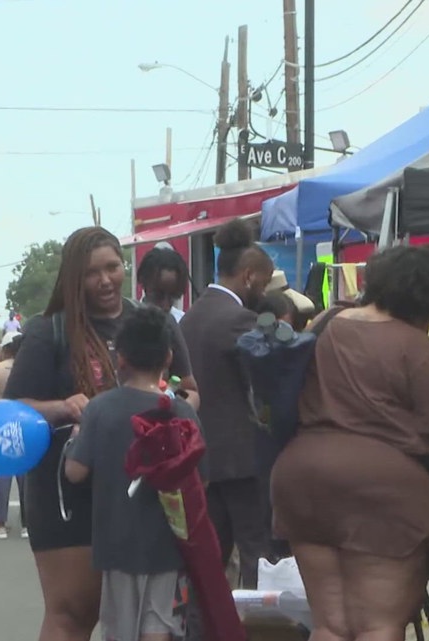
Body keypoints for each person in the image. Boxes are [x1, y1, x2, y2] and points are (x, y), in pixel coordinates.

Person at [271, 244, 429, 641]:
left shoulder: (327, 321)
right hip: (381, 491)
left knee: (329, 624)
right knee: (378, 626)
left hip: (302, 478)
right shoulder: (411, 343)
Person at [3, 226, 195, 641]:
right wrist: (62, 406)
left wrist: (169, 406)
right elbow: (13, 408)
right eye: (93, 272)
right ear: (74, 277)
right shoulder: (49, 329)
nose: (106, 279)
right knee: (73, 612)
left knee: (147, 621)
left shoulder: (151, 322)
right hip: (66, 493)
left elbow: (192, 393)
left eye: (113, 267)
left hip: (140, 495)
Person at [64, 306, 191, 641]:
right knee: (158, 620)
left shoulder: (100, 408)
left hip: (115, 538)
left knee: (119, 623)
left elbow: (75, 473)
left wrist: (74, 443)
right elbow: (199, 480)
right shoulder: (182, 410)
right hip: (166, 541)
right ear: (168, 357)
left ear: (120, 359)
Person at [178, 217, 275, 589]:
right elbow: (264, 382)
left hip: (203, 455)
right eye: (263, 283)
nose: (263, 291)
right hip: (242, 458)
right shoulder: (239, 318)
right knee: (255, 554)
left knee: (212, 556)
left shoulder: (190, 317)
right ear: (249, 276)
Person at [0, 331, 27, 540]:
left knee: (2, 472)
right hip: (25, 422)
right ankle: (27, 524)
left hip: (2, 420)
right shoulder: (28, 368)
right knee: (24, 474)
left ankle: (0, 524)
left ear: (7, 348)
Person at [137, 242, 191, 322]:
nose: (166, 306)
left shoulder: (182, 322)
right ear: (145, 286)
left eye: (173, 297)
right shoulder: (128, 324)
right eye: (158, 296)